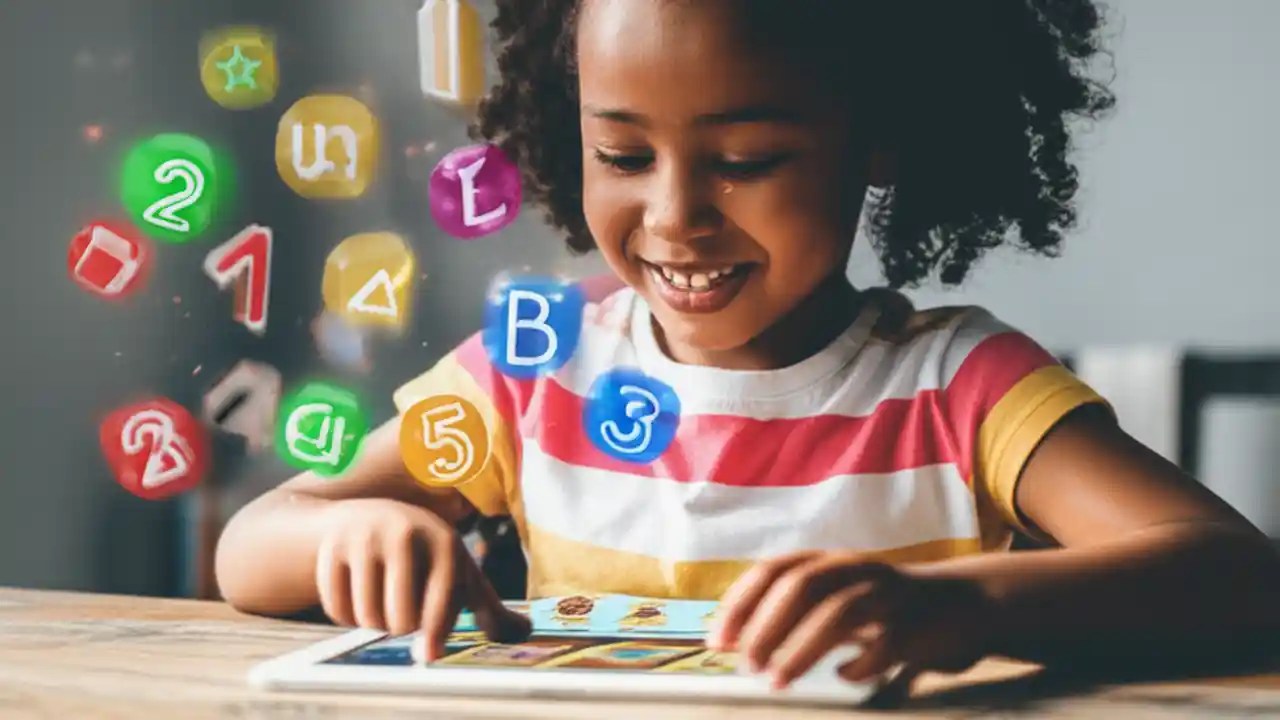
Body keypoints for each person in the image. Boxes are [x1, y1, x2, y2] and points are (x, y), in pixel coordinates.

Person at [217, 0, 1280, 690]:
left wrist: (953, 612)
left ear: (878, 140)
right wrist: (349, 532)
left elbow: (1235, 577)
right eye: (621, 152)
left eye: (748, 159)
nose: (675, 215)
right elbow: (253, 545)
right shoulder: (532, 365)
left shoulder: (958, 387)